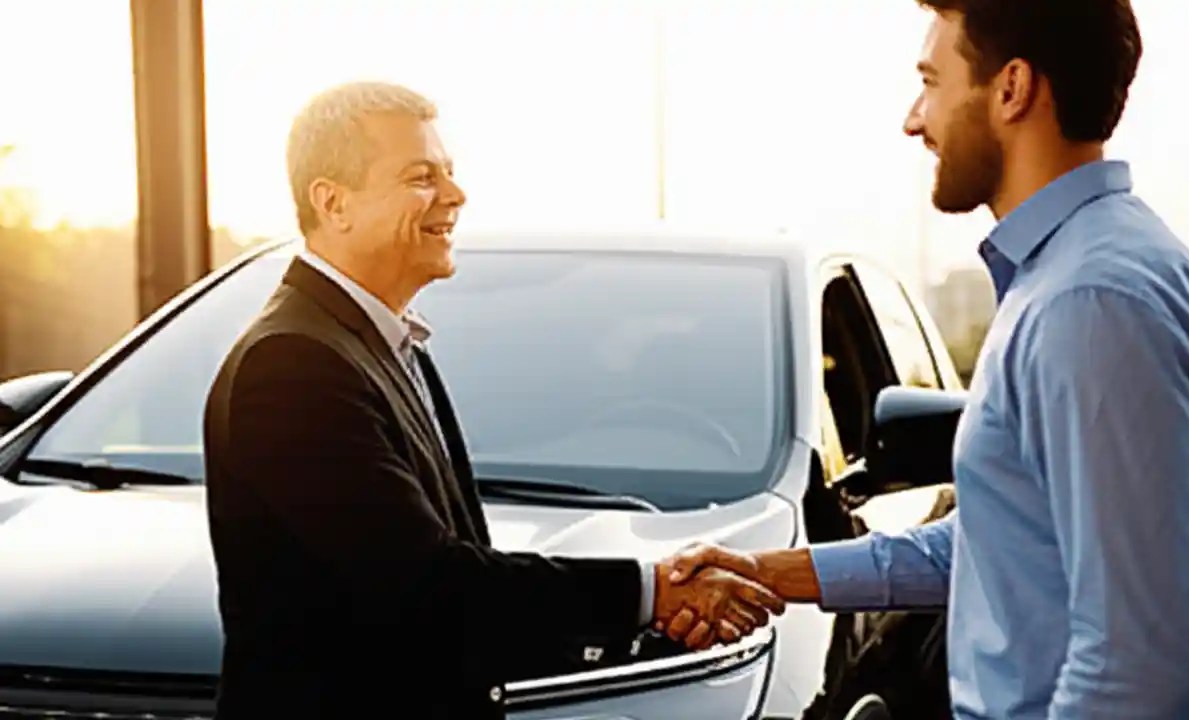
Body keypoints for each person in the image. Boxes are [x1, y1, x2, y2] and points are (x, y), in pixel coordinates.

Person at [664, 1, 1189, 718]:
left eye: (932, 82)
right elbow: (1003, 541)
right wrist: (766, 572)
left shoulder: (1092, 304)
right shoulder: (1073, 276)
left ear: (1011, 89)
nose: (915, 119)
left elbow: (1136, 672)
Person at [202, 81, 783, 719]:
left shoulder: (389, 346)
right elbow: (431, 588)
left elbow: (462, 580)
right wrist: (652, 593)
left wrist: (647, 619)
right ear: (333, 202)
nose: (455, 196)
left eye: (449, 173)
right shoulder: (293, 365)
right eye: (422, 176)